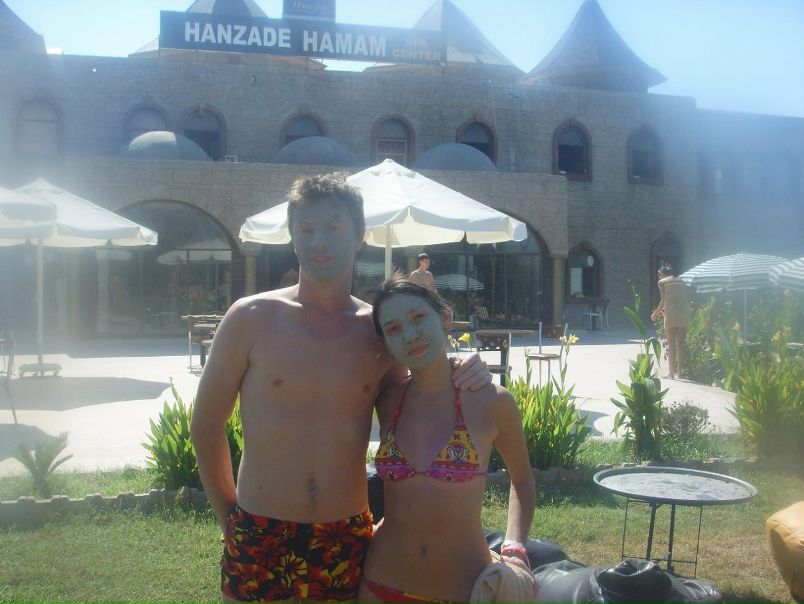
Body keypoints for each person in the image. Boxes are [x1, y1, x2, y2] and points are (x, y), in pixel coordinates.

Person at [190, 172, 490, 604]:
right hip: (259, 526)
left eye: (333, 228)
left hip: (344, 533)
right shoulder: (251, 318)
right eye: (306, 229)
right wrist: (232, 521)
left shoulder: (377, 332)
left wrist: (460, 366)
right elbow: (205, 426)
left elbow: (416, 404)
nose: (318, 242)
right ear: (292, 237)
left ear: (358, 235)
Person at [359, 275, 537, 604]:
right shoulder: (387, 401)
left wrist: (514, 547)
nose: (410, 335)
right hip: (379, 584)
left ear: (444, 318)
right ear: (386, 342)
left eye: (418, 317)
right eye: (394, 329)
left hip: (463, 589)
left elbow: (523, 481)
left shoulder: (491, 401)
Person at [650, 263, 691, 380]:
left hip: (671, 315)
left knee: (671, 345)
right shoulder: (682, 281)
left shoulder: (662, 282)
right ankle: (680, 373)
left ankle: (671, 374)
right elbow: (685, 299)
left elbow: (664, 300)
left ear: (661, 273)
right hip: (683, 314)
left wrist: (655, 314)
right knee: (680, 345)